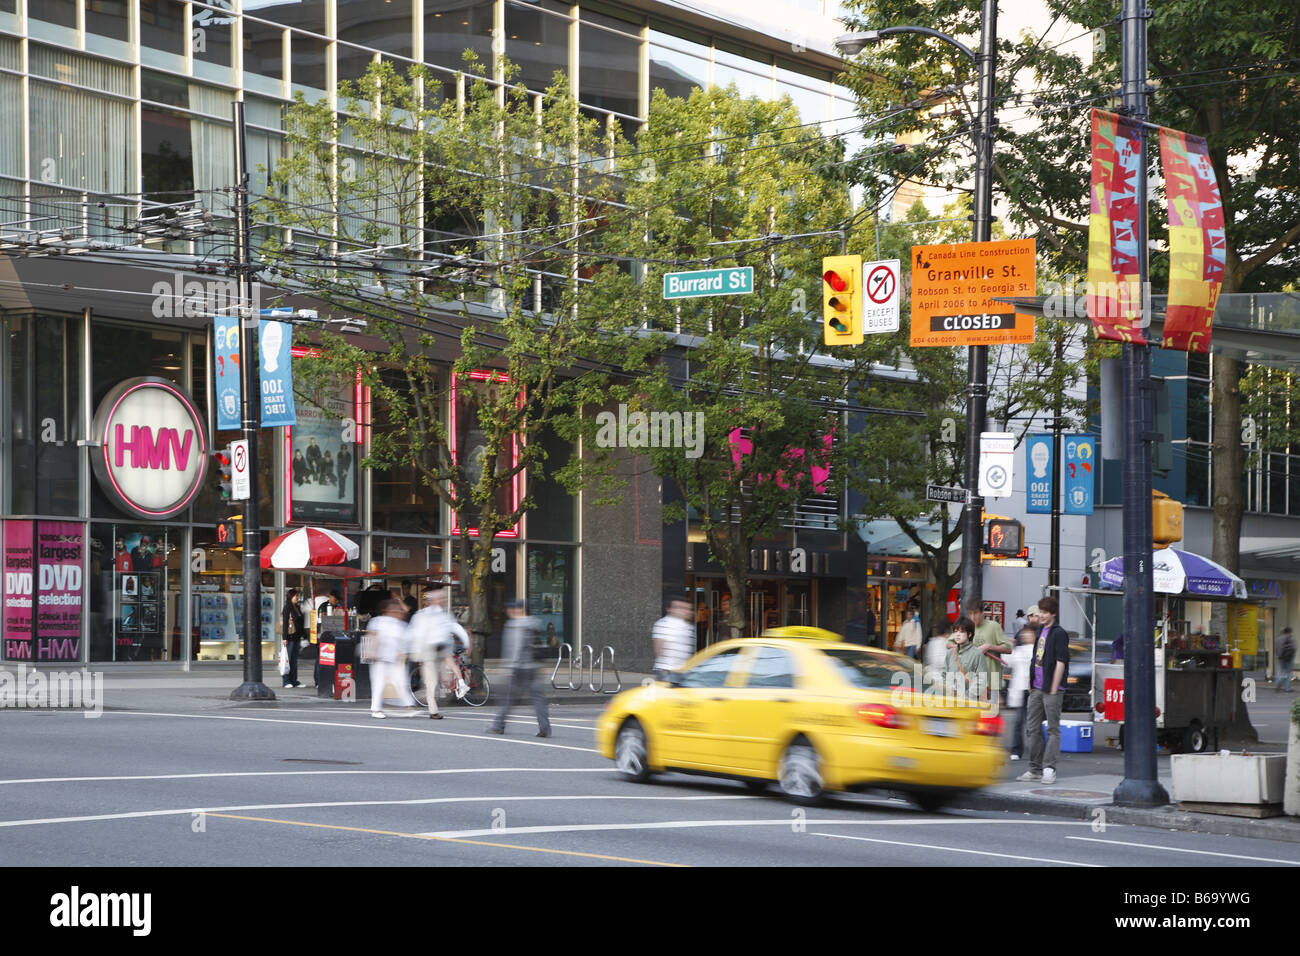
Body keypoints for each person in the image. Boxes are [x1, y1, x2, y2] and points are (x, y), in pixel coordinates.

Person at [1019, 597, 1070, 785]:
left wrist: (1054, 688)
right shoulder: (1040, 630)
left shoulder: (1059, 633)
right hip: (1037, 687)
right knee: (1032, 728)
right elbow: (1036, 657)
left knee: (1053, 729)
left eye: (1045, 612)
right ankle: (1034, 769)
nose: (1041, 615)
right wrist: (1030, 681)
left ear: (1053, 614)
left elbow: (1061, 662)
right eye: (1040, 611)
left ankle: (1049, 768)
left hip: (1051, 688)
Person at [487, 600, 552, 737]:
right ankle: (545, 727)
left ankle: (498, 726)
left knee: (508, 698)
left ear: (519, 609)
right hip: (534, 667)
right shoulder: (534, 623)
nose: (510, 611)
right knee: (538, 698)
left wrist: (510, 667)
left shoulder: (515, 625)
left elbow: (515, 647)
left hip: (519, 668)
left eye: (513, 608)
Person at [408, 588, 470, 719]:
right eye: (440, 598)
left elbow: (455, 627)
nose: (442, 601)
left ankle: (460, 684)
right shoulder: (422, 615)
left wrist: (466, 642)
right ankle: (433, 710)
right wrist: (415, 651)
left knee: (447, 674)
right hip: (429, 650)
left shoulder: (445, 614)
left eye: (443, 598)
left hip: (442, 648)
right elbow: (415, 633)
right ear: (432, 601)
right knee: (432, 682)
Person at [364, 598, 418, 718]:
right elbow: (372, 636)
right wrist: (371, 651)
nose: (398, 612)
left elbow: (406, 642)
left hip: (395, 659)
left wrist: (408, 654)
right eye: (395, 610)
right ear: (387, 610)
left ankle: (409, 707)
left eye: (398, 610)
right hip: (379, 658)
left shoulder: (402, 625)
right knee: (378, 684)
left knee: (401, 683)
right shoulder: (377, 621)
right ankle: (376, 710)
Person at [968, 601, 1012, 697]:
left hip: (993, 679)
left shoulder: (993, 626)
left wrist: (989, 646)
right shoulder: (967, 629)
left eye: (975, 613)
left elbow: (1008, 649)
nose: (972, 617)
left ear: (982, 613)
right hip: (974, 679)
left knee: (992, 711)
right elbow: (950, 644)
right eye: (970, 614)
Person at [1005, 626, 1036, 760]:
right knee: (1018, 721)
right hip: (1020, 688)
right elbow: (1007, 662)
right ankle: (1016, 750)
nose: (1025, 636)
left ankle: (1036, 750)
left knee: (1033, 722)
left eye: (1028, 634)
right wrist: (1010, 646)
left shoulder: (1037, 649)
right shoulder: (1018, 650)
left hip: (1033, 689)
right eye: (1024, 634)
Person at [944, 616, 988, 701]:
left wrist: (967, 696)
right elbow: (944, 675)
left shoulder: (977, 654)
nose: (957, 634)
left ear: (970, 634)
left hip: (969, 703)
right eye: (955, 631)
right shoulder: (950, 654)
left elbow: (981, 680)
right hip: (950, 702)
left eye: (962, 631)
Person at [651, 598, 695, 680]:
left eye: (687, 608)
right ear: (670, 609)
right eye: (679, 607)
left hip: (682, 671)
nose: (684, 611)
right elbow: (658, 649)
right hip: (667, 671)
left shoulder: (688, 626)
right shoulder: (663, 624)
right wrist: (664, 669)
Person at [281, 588, 305, 689]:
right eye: (296, 596)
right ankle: (286, 681)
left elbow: (300, 623)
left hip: (297, 637)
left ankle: (294, 680)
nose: (297, 598)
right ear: (291, 596)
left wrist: (304, 636)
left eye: (297, 596)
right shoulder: (287, 607)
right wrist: (284, 637)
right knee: (288, 660)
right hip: (290, 637)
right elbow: (285, 623)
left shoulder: (297, 607)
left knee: (294, 661)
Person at [924, 619, 953, 684]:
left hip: (931, 678)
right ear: (947, 632)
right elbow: (940, 662)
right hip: (940, 680)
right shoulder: (944, 643)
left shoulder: (932, 642)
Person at [1275, 627, 1296, 692]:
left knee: (1280, 672)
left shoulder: (1278, 639)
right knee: (1289, 673)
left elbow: (1276, 649)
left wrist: (1278, 655)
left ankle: (1278, 684)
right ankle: (1287, 688)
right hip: (1289, 658)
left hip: (1280, 658)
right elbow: (1294, 648)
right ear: (1290, 632)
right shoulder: (1291, 639)